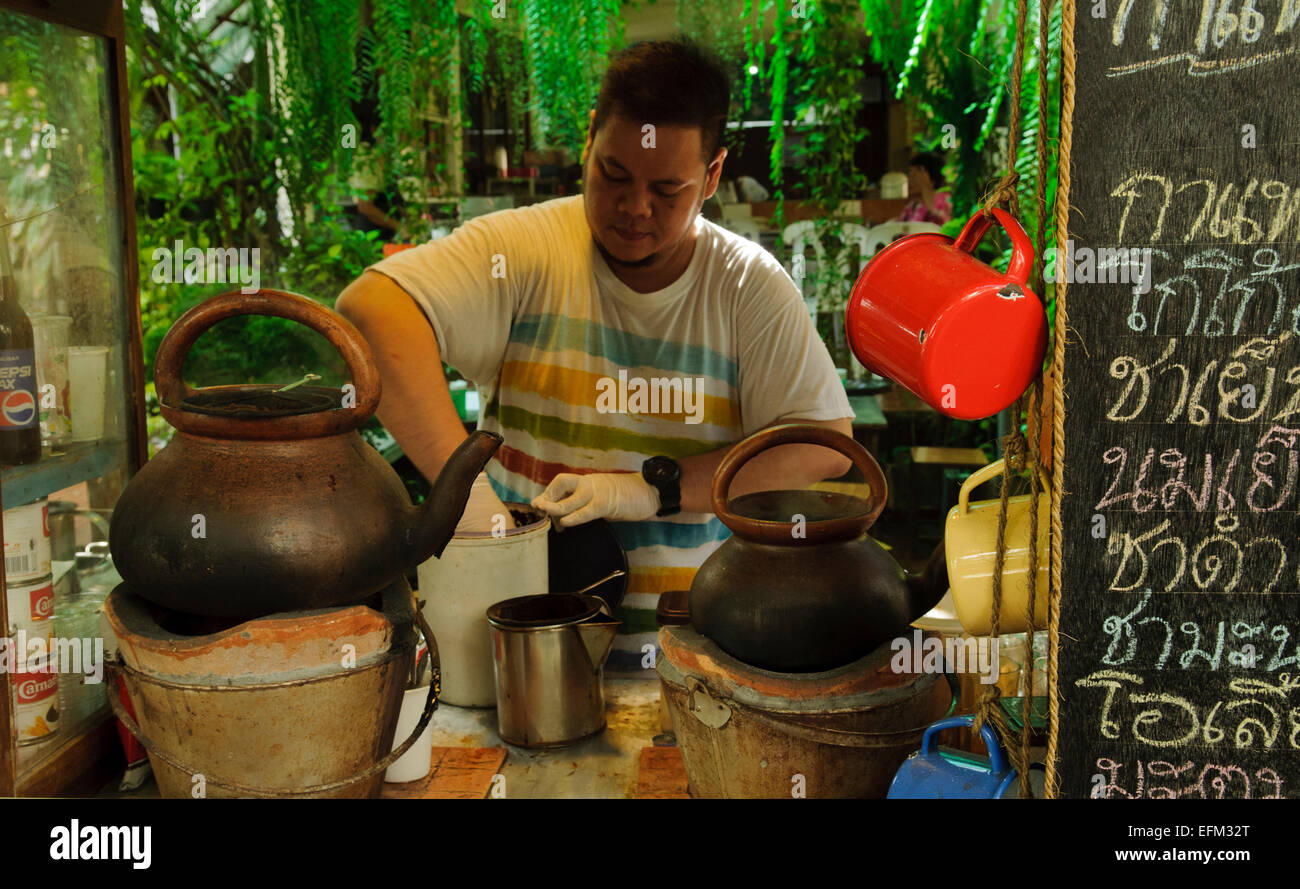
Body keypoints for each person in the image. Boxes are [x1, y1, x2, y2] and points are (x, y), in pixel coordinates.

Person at [336, 39, 853, 672]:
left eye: (668, 190)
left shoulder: (747, 286)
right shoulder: (524, 250)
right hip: (510, 655)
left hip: (688, 660)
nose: (635, 209)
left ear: (713, 176)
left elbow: (822, 446)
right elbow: (372, 308)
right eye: (614, 175)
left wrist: (651, 490)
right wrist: (465, 498)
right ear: (590, 140)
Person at [897, 151, 952, 225]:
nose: (910, 180)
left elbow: (947, 224)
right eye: (910, 175)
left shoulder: (945, 199)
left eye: (914, 175)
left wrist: (926, 191)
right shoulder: (913, 204)